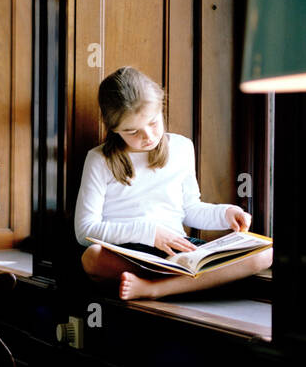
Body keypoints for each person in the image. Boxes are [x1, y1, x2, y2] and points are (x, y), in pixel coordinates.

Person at [75, 67, 272, 300]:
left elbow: (189, 209)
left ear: (161, 109)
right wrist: (151, 234)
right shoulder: (99, 160)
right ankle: (179, 284)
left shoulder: (181, 147)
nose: (147, 136)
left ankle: (154, 288)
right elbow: (85, 231)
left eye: (153, 122)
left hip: (178, 249)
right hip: (128, 252)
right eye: (132, 131)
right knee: (92, 256)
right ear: (114, 129)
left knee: (265, 254)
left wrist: (226, 214)